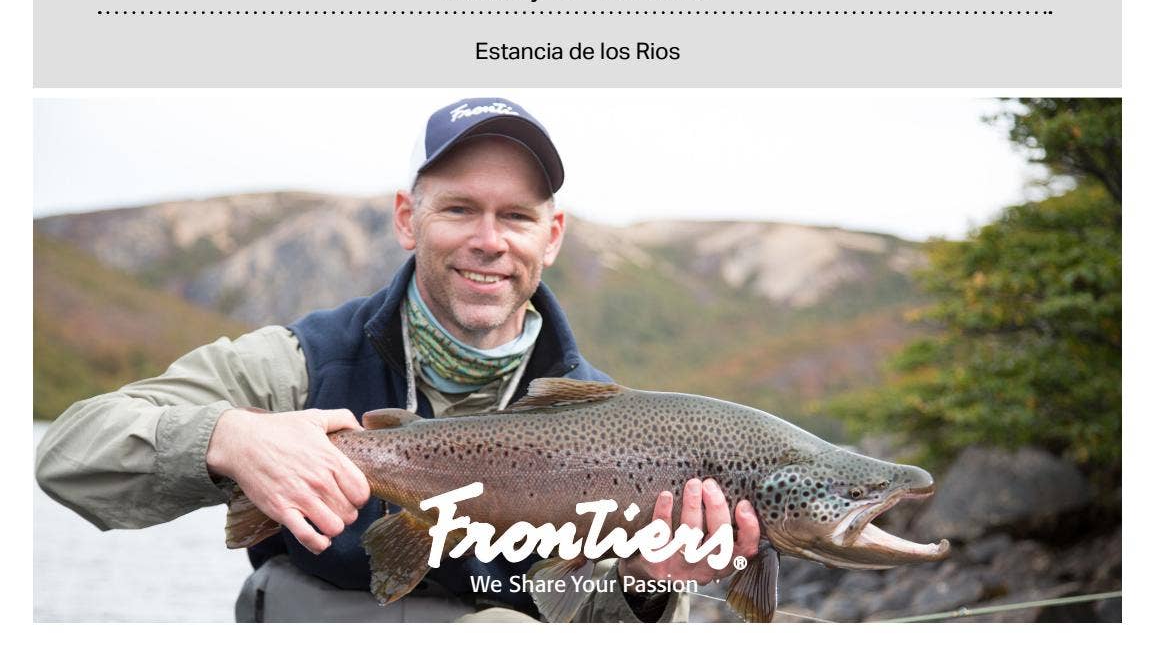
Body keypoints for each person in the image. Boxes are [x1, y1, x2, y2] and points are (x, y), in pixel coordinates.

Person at [36, 96, 760, 622]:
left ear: (554, 235)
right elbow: (70, 452)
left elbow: (593, 616)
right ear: (407, 219)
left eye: (515, 216)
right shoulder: (301, 364)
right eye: (458, 210)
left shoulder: (608, 416)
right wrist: (228, 439)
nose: (489, 240)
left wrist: (644, 584)